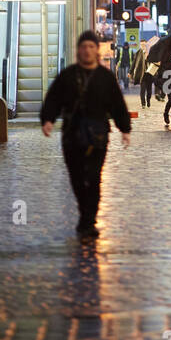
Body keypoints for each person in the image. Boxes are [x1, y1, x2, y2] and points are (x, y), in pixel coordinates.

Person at [40, 31, 131, 238]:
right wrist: (47, 119)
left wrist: (125, 129)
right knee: (77, 179)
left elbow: (117, 104)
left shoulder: (105, 77)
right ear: (78, 50)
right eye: (84, 47)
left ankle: (88, 221)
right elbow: (54, 99)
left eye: (91, 46)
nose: (87, 51)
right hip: (72, 135)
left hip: (98, 135)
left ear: (96, 50)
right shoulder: (68, 75)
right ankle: (85, 215)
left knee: (94, 177)